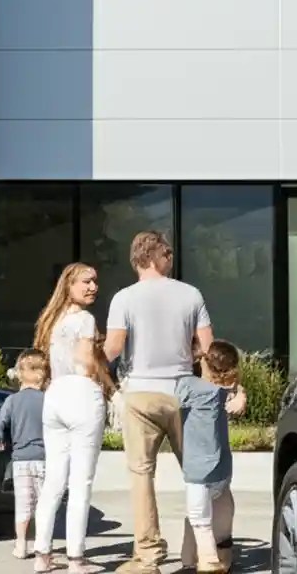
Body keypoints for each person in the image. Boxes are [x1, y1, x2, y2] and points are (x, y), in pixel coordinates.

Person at [102, 230, 214, 574]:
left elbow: (114, 348)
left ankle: (148, 557)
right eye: (168, 253)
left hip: (141, 394)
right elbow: (208, 347)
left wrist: (91, 363)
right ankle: (205, 550)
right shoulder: (191, 294)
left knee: (141, 476)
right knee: (198, 473)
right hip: (183, 392)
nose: (172, 259)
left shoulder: (123, 298)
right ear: (152, 255)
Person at [31, 263, 116, 574]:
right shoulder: (84, 319)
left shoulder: (52, 320)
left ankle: (42, 554)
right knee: (81, 482)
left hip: (55, 396)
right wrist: (112, 389)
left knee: (53, 481)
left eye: (95, 281)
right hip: (81, 395)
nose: (93, 287)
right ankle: (76, 558)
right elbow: (86, 362)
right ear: (69, 285)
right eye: (86, 282)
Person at [177, 340, 247, 573]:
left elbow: (168, 390)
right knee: (221, 516)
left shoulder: (191, 387)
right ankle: (216, 557)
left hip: (199, 471)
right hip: (222, 470)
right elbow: (234, 388)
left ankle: (207, 562)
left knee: (199, 519)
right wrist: (241, 393)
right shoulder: (224, 392)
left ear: (206, 363)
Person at [0, 348, 48, 560]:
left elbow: (0, 423)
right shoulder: (47, 399)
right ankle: (43, 545)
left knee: (23, 506)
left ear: (20, 375)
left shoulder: (12, 401)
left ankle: (21, 545)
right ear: (41, 375)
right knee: (44, 505)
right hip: (43, 459)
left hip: (20, 461)